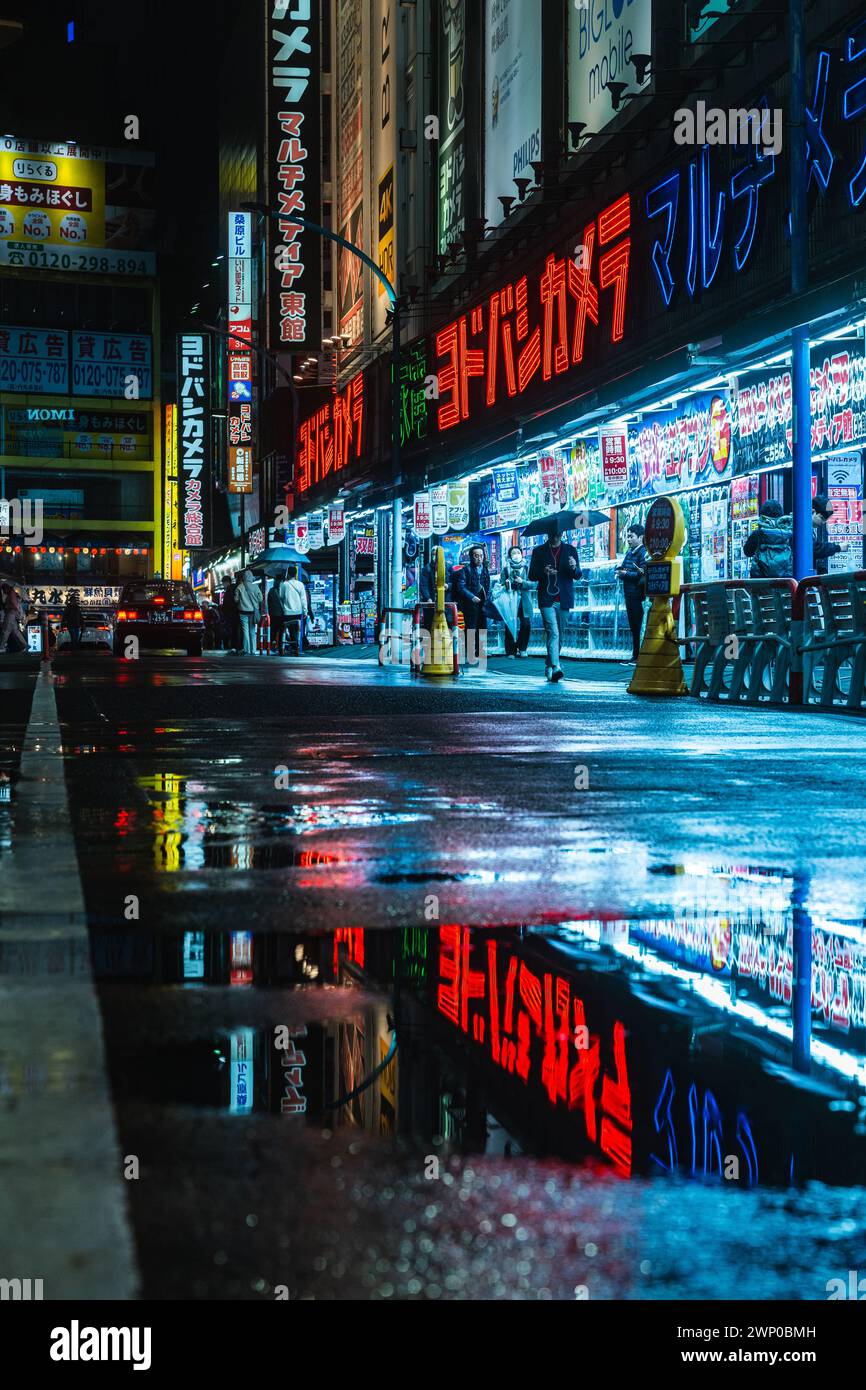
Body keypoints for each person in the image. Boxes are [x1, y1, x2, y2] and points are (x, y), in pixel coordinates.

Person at [528, 523, 581, 683]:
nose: (555, 537)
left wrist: (574, 567)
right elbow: (531, 575)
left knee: (560, 635)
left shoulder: (571, 550)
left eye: (558, 534)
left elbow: (578, 575)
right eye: (552, 534)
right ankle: (557, 667)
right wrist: (543, 572)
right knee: (553, 631)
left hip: (564, 597)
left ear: (562, 534)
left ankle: (549, 665)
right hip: (546, 597)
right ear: (547, 534)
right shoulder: (538, 551)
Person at [615, 523, 648, 662]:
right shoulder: (630, 552)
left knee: (639, 625)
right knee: (633, 626)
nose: (628, 539)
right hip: (628, 594)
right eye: (627, 536)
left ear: (640, 537)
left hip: (638, 595)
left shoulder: (643, 553)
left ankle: (639, 655)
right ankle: (635, 655)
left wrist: (624, 574)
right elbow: (624, 567)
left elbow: (641, 574)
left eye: (631, 536)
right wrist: (619, 570)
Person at [742, 499, 793, 577]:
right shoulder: (788, 534)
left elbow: (747, 552)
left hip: (762, 581)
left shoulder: (758, 534)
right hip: (785, 581)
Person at [499, 544, 533, 656]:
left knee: (526, 624)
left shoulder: (527, 568)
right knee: (510, 625)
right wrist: (507, 584)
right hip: (510, 600)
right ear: (509, 556)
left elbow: (533, 584)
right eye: (513, 553)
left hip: (524, 601)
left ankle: (522, 648)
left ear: (522, 554)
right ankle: (511, 651)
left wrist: (522, 582)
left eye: (518, 553)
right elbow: (501, 584)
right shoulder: (505, 568)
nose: (516, 555)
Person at [456, 544, 491, 651]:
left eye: (481, 556)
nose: (479, 558)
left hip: (482, 603)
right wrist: (472, 597)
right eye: (476, 556)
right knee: (471, 627)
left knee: (482, 626)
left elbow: (487, 584)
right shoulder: (466, 570)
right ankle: (470, 650)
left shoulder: (485, 569)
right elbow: (461, 587)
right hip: (470, 604)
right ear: (471, 557)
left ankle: (481, 650)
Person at [279, 564, 310, 654]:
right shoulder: (300, 584)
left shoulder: (284, 584)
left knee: (284, 628)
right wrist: (305, 612)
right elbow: (303, 600)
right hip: (297, 612)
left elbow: (281, 597)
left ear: (287, 574)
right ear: (295, 574)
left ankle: (284, 647)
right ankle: (295, 646)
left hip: (287, 613)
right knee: (295, 630)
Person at [812, 494, 842, 575]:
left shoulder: (810, 529)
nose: (823, 522)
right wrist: (838, 547)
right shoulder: (800, 528)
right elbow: (815, 549)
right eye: (822, 518)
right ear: (813, 512)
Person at [234, 568, 263, 654]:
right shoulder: (255, 586)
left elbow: (236, 600)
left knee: (245, 630)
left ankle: (246, 649)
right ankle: (253, 650)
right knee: (252, 631)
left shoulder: (239, 587)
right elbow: (260, 598)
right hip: (253, 612)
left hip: (243, 612)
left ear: (243, 577)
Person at [0, 583, 24, 654]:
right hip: (12, 614)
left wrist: (6, 606)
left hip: (10, 614)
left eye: (3, 590)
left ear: (6, 588)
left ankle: (2, 647)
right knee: (16, 631)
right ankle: (25, 645)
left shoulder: (11, 594)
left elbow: (14, 606)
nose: (3, 592)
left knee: (5, 631)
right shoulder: (12, 593)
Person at [267, 573, 286, 654]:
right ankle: (281, 647)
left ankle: (273, 643)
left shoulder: (271, 590)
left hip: (273, 614)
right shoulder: (285, 589)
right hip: (282, 614)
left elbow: (269, 603)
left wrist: (270, 613)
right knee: (281, 631)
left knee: (273, 631)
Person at [220, 576, 239, 651]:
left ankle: (231, 646)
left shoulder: (229, 590)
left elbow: (227, 603)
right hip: (236, 613)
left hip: (229, 614)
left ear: (226, 582)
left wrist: (223, 609)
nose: (223, 585)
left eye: (223, 583)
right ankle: (235, 646)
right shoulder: (235, 588)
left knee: (229, 631)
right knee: (235, 630)